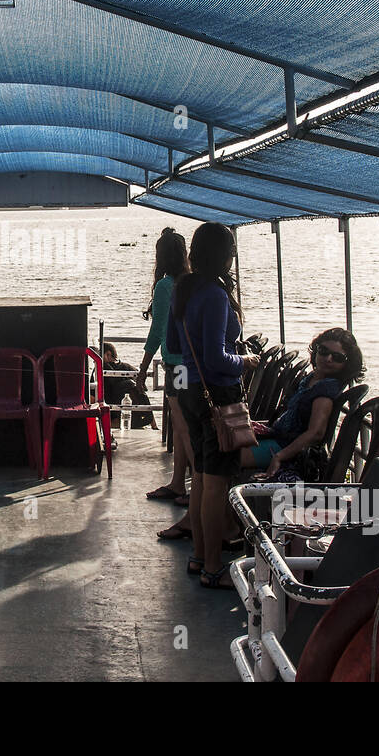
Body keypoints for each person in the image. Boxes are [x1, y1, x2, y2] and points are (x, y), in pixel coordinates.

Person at [166, 222, 252, 590]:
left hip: (190, 393)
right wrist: (245, 362)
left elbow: (173, 341)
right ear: (223, 255)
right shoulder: (215, 294)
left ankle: (200, 556)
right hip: (217, 394)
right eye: (230, 251)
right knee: (217, 484)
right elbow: (217, 358)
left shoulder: (183, 289)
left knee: (201, 477)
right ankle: (214, 566)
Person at [250, 328, 364, 481]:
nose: (328, 359)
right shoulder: (311, 379)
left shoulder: (325, 389)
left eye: (337, 357)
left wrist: (279, 457)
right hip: (279, 437)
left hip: (287, 448)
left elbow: (316, 433)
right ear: (316, 350)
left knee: (223, 458)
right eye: (323, 351)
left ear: (346, 364)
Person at [138, 227, 194, 507]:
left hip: (176, 364)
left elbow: (158, 331)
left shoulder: (164, 286)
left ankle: (195, 487)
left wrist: (143, 369)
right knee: (183, 425)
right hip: (192, 365)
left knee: (183, 426)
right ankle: (178, 483)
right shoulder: (192, 282)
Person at [100, 342, 155, 429]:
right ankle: (153, 424)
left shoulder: (101, 370)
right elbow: (143, 393)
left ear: (108, 354)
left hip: (113, 418)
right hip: (139, 418)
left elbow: (92, 397)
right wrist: (153, 424)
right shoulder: (129, 368)